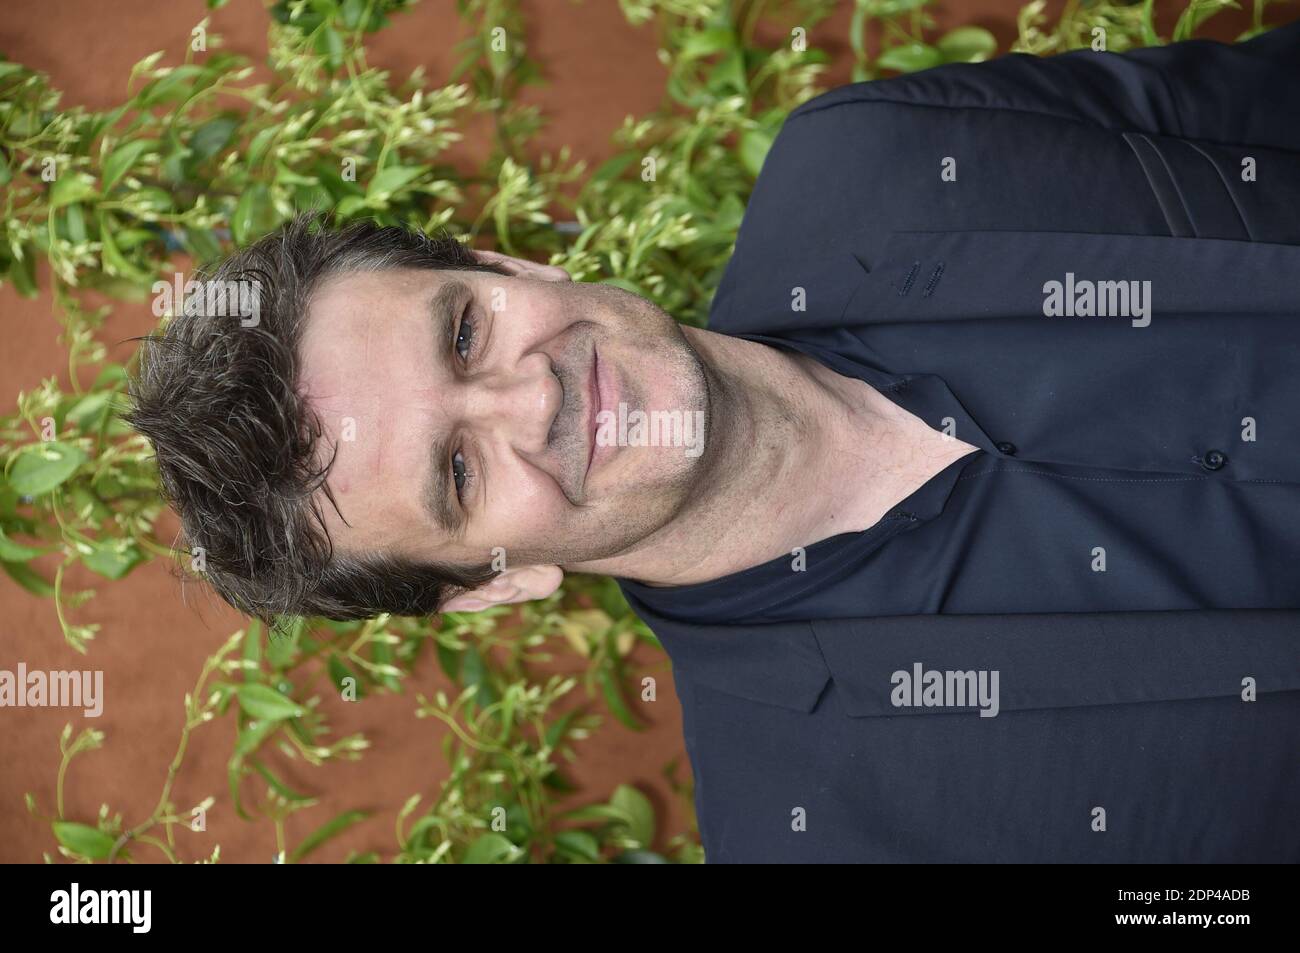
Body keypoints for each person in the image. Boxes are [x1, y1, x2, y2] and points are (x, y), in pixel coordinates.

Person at [129, 22, 1300, 862]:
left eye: (466, 332)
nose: (528, 400)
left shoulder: (870, 155)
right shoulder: (834, 833)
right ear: (493, 585)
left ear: (510, 265)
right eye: (457, 471)